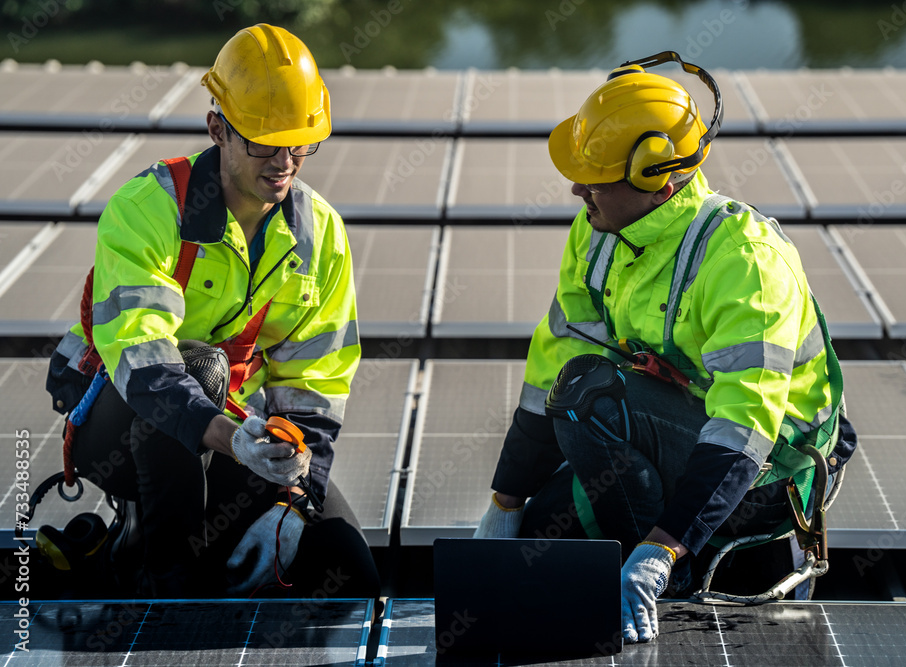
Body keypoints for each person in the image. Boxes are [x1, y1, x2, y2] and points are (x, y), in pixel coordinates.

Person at [473, 55, 857, 643]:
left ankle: (667, 573)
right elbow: (555, 361)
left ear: (659, 176)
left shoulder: (742, 260)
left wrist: (663, 549)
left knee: (590, 399)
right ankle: (640, 547)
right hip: (678, 424)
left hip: (766, 469)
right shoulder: (599, 227)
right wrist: (505, 500)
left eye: (594, 176)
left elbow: (742, 426)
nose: (577, 189)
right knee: (538, 521)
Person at [45, 24, 379, 599]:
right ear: (217, 129)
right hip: (119, 422)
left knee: (345, 561)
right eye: (264, 143)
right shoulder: (147, 210)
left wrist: (294, 500)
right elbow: (145, 366)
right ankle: (165, 580)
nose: (285, 163)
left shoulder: (321, 235)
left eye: (300, 145)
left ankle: (161, 544)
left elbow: (317, 386)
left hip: (234, 429)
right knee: (196, 366)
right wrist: (234, 440)